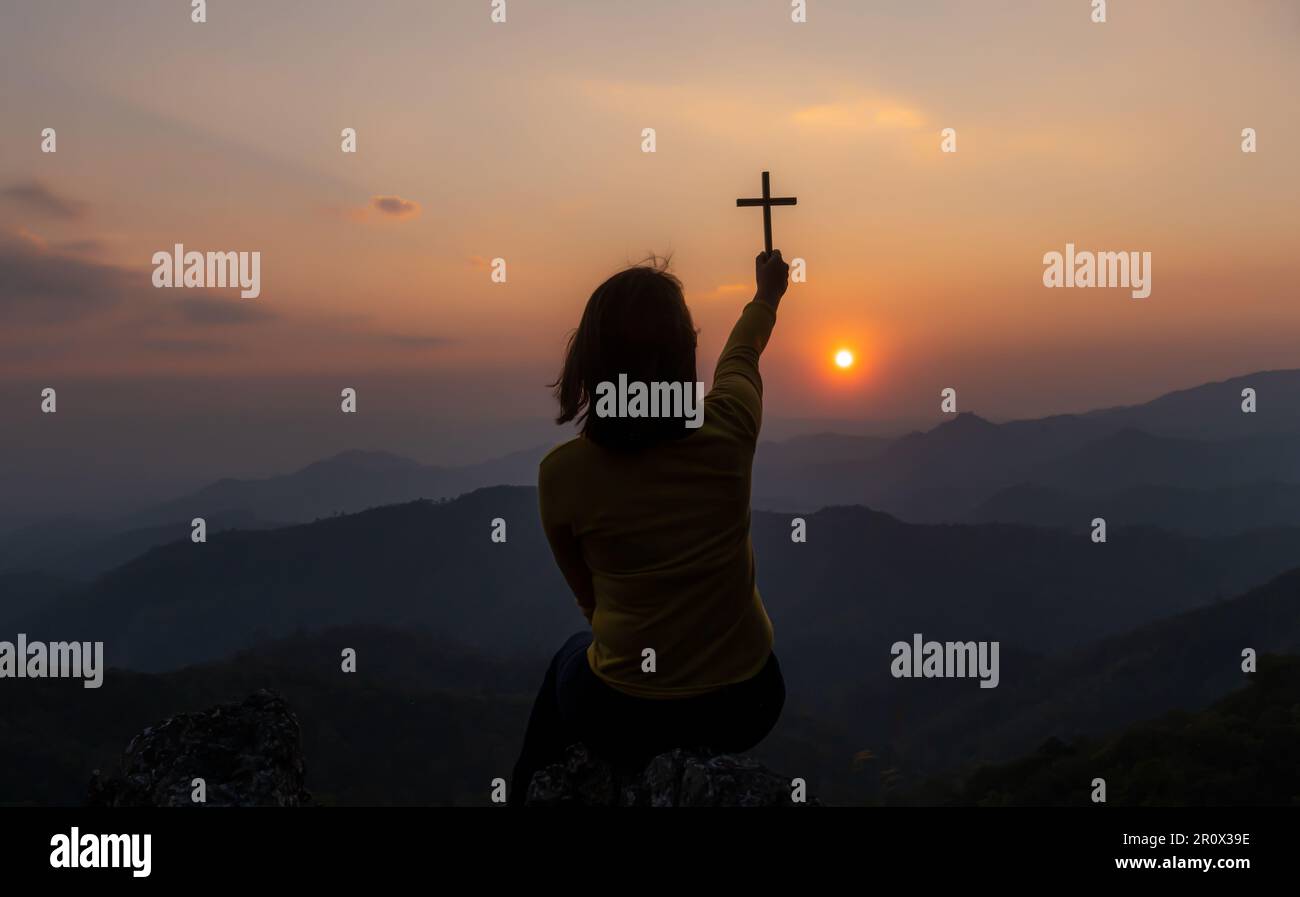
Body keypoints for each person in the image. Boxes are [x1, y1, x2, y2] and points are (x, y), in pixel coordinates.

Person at [509, 250, 791, 805]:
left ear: (591, 365)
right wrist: (766, 296)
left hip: (625, 714)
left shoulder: (561, 477)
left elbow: (591, 604)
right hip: (747, 701)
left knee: (570, 654)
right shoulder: (730, 426)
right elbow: (741, 356)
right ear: (686, 355)